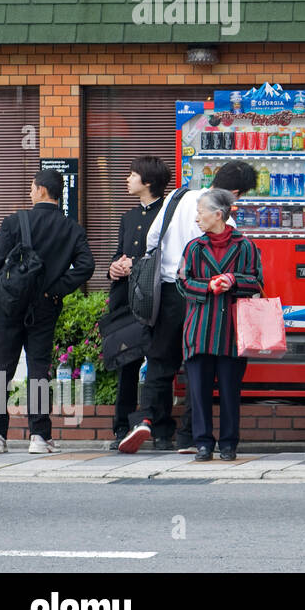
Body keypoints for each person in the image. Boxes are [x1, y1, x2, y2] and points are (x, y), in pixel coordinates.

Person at [118, 160, 257, 454]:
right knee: (200, 365)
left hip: (168, 291)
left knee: (160, 360)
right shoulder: (223, 217)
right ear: (234, 192)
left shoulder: (177, 197)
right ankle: (190, 436)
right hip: (205, 299)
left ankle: (149, 422)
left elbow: (152, 239)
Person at [0, 170, 95, 454]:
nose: (31, 193)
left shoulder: (13, 222)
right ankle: (39, 436)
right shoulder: (72, 229)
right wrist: (55, 290)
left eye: (33, 188)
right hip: (45, 308)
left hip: (9, 307)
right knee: (38, 370)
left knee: (1, 371)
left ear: (42, 190)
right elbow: (86, 267)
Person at [176, 189, 263, 461]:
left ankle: (228, 444)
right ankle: (203, 443)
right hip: (199, 329)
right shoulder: (193, 247)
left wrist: (233, 281)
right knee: (198, 392)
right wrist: (208, 285)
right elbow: (182, 282)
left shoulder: (245, 246)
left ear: (218, 214)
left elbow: (257, 282)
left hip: (233, 331)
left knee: (229, 391)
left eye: (201, 211)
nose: (197, 217)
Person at [105, 157, 169, 449]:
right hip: (125, 298)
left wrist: (137, 265)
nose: (126, 180)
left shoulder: (169, 214)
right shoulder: (127, 217)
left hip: (156, 299)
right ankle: (122, 427)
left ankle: (160, 426)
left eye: (131, 175)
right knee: (126, 361)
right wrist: (113, 268)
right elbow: (118, 254)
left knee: (159, 361)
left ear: (148, 181)